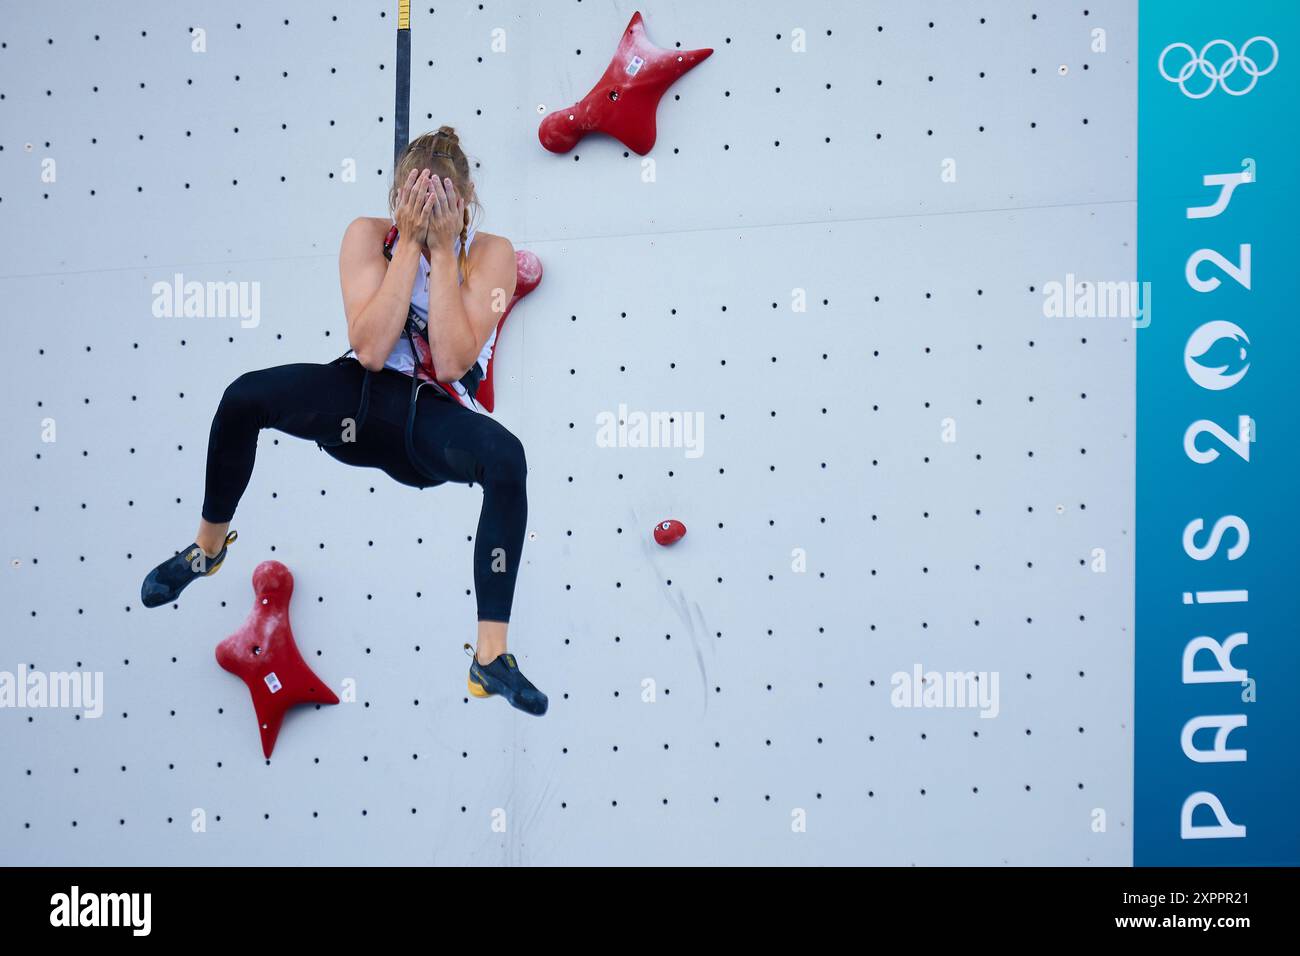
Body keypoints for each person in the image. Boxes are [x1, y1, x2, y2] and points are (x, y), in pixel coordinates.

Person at [140, 127, 546, 716]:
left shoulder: (492, 253)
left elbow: (457, 362)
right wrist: (407, 244)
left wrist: (442, 249)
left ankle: (490, 655)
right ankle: (206, 549)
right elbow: (373, 350)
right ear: (396, 198)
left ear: (467, 197)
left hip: (429, 422)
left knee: (507, 458)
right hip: (360, 401)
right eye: (414, 201)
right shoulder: (367, 235)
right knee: (243, 397)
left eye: (442, 202)